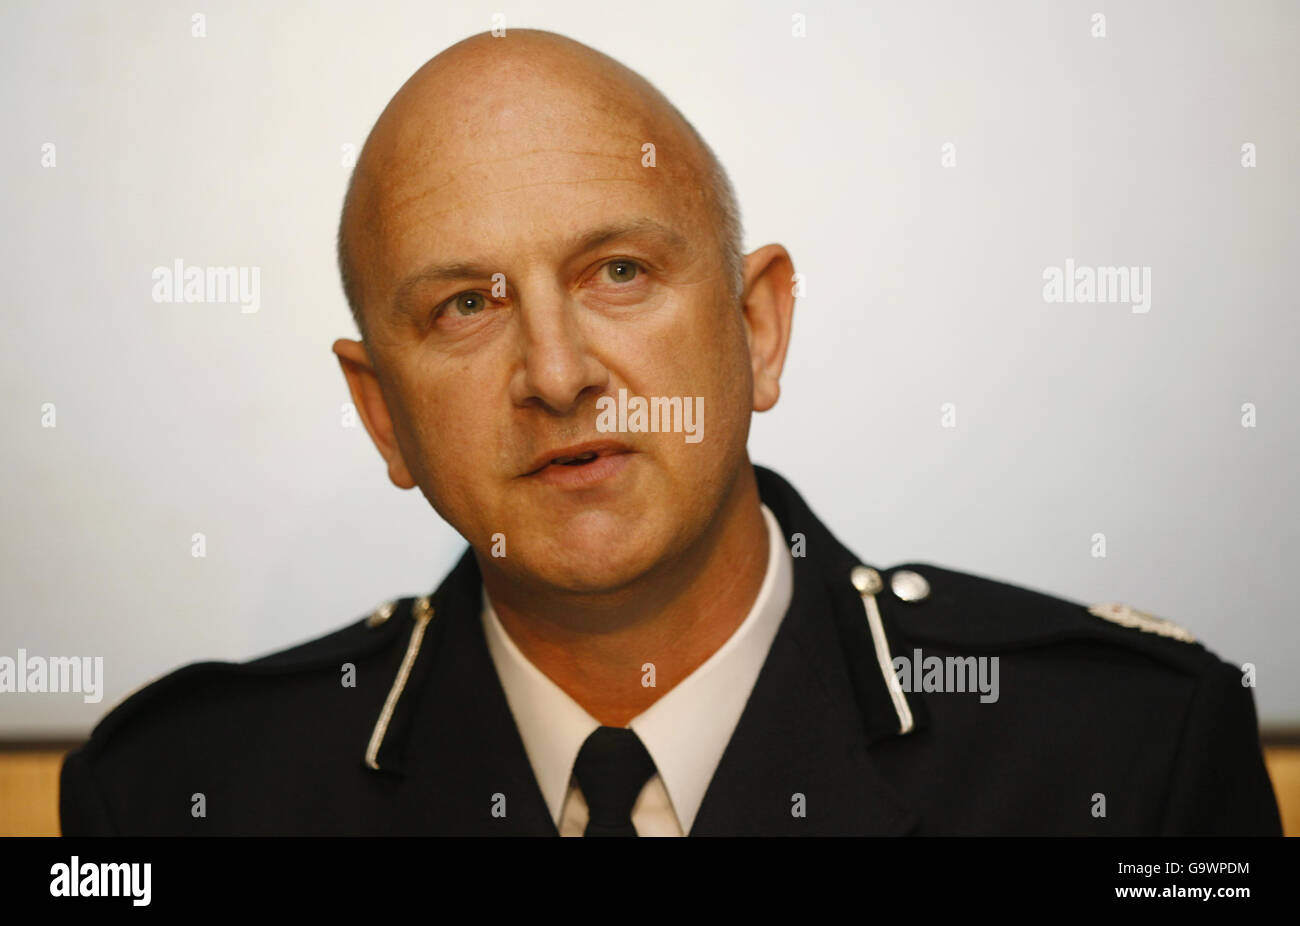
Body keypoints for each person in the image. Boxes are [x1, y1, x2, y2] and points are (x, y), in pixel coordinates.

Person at [60, 29, 1281, 836]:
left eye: (620, 271)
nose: (555, 371)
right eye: (466, 305)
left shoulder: (1126, 759)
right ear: (384, 413)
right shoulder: (177, 800)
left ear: (756, 328)